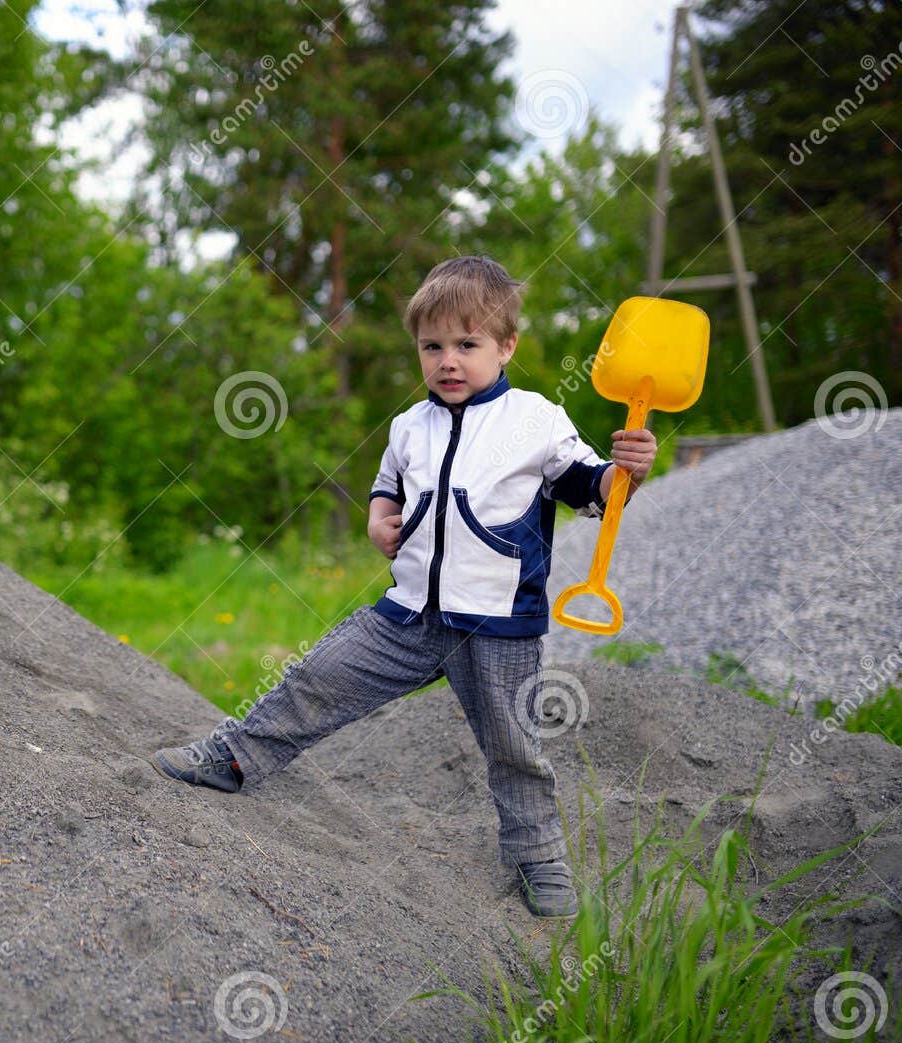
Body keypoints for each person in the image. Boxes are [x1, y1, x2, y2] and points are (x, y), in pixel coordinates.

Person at [149, 255, 657, 918]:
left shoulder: (537, 421)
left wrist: (627, 474)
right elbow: (387, 493)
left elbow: (589, 490)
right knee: (317, 676)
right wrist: (378, 522)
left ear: (507, 347)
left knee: (513, 746)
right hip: (409, 615)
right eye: (433, 346)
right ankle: (234, 758)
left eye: (467, 345)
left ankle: (538, 857)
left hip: (497, 625)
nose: (449, 360)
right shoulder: (407, 426)